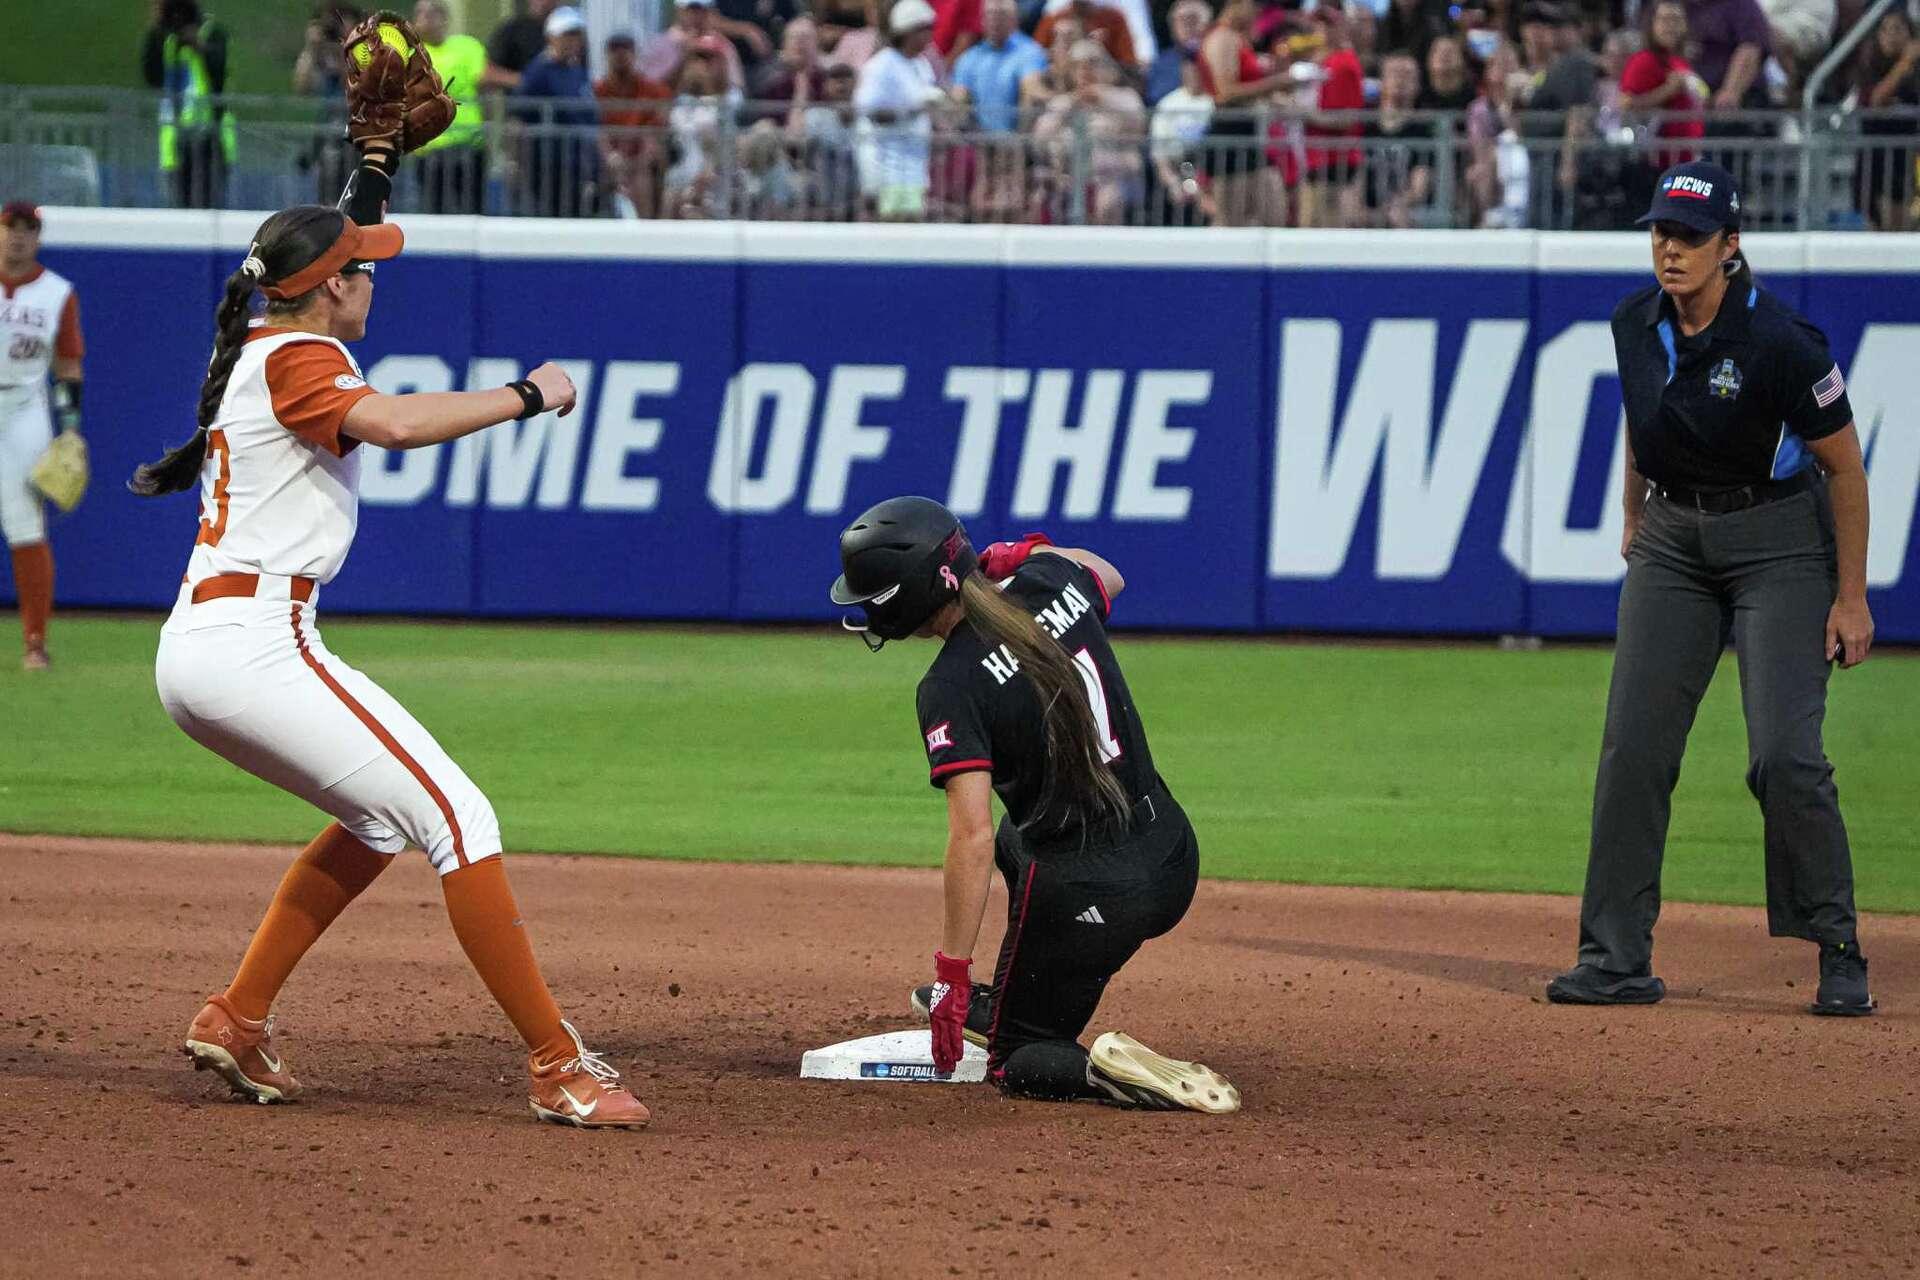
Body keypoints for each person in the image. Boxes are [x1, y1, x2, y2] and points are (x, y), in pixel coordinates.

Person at [130, 130, 650, 1128]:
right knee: (460, 815)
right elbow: (398, 426)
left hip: (212, 637)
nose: (376, 280)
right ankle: (557, 1062)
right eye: (365, 270)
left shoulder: (261, 334)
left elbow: (324, 245)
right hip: (255, 641)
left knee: (380, 821)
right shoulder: (304, 356)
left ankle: (238, 1016)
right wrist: (528, 393)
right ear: (329, 287)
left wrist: (374, 160)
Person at [1548, 161, 1875, 1018]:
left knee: (1784, 757)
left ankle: (1839, 946)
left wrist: (1852, 597)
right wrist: (1631, 513)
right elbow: (1641, 418)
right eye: (1661, 232)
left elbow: (1845, 468)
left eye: (1690, 236)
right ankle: (1615, 958)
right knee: (1633, 750)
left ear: (1730, 246)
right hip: (1672, 541)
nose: (1670, 248)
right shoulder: (1634, 321)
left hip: (1782, 545)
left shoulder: (1781, 341)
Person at [829, 499, 1240, 1112]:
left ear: (902, 601)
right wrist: (1017, 556)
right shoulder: (1051, 579)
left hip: (1097, 897)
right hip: (1173, 854)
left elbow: (968, 839)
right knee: (1017, 842)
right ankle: (1027, 986)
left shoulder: (948, 685)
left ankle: (1118, 1073)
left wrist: (952, 978)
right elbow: (1108, 574)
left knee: (1017, 1059)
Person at [0, 203, 84, 672]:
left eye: (27, 229)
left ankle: (35, 642)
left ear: (37, 237)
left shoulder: (56, 293)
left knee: (25, 524)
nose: (17, 237)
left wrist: (70, 430)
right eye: (10, 227)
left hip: (24, 407)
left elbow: (68, 366)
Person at [1198, 0, 1291, 225]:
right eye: (1254, 8)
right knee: (1231, 219)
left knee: (1273, 212)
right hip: (1229, 133)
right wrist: (1278, 82)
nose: (1257, 14)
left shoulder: (1238, 38)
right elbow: (1226, 92)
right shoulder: (1222, 38)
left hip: (1249, 133)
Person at [854, 0, 949, 221]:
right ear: (907, 31)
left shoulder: (921, 65)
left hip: (915, 164)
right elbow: (870, 113)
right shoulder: (881, 66)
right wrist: (912, 109)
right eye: (923, 30)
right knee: (892, 224)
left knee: (913, 225)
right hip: (887, 163)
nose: (929, 36)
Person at [1034, 41, 1147, 223]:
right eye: (1078, 66)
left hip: (1114, 178)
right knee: (1041, 200)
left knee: (1108, 203)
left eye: (1092, 64)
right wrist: (1071, 104)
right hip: (1068, 178)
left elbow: (1138, 122)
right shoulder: (1062, 102)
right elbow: (1041, 138)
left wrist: (1101, 97)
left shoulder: (1124, 96)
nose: (1085, 71)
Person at [511, 6, 607, 217]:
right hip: (549, 166)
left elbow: (592, 118)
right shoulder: (538, 73)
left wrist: (604, 158)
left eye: (577, 35)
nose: (574, 41)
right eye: (567, 35)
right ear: (552, 38)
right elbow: (520, 118)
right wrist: (517, 163)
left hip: (580, 164)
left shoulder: (579, 71)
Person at [141, 0, 235, 209]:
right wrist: (157, 29)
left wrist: (199, 47)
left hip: (210, 136)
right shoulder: (165, 39)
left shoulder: (213, 33)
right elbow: (151, 76)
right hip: (175, 139)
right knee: (176, 210)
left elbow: (219, 73)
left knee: (210, 208)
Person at [413, 0, 491, 214]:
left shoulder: (468, 46)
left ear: (445, 18)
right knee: (433, 214)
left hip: (469, 145)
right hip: (430, 150)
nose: (426, 18)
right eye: (420, 14)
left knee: (473, 213)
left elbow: (484, 84)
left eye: (432, 13)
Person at [1853, 6, 1920, 232]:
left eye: (1898, 29)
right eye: (1885, 30)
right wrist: (1904, 64)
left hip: (1909, 160)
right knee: (1883, 227)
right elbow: (1876, 99)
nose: (1891, 36)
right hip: (1877, 164)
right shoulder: (1870, 67)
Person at [1350, 50, 1434, 227]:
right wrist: (1356, 204)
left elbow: (1419, 185)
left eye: (1407, 75)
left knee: (1398, 215)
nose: (1400, 81)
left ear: (1417, 84)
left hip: (1407, 207)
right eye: (1394, 74)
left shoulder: (1423, 128)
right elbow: (1356, 174)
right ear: (1382, 81)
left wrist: (1398, 204)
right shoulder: (1366, 123)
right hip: (1369, 204)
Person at [1620, 0, 1706, 170]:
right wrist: (1668, 90)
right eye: (1665, 20)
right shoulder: (1643, 61)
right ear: (1652, 24)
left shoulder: (1681, 61)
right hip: (1655, 161)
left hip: (1686, 157)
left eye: (1676, 20)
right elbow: (1626, 103)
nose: (1671, 26)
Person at [597, 31, 674, 219]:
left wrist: (639, 155)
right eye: (615, 49)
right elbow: (596, 130)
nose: (621, 55)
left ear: (635, 54)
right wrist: (611, 157)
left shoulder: (652, 89)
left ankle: (645, 230)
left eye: (626, 49)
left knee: (643, 173)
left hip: (643, 161)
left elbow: (660, 122)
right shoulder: (598, 90)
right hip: (608, 161)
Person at [954, 0, 1049, 133]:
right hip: (980, 141)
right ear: (982, 20)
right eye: (989, 15)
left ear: (1014, 20)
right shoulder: (969, 58)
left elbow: (1031, 87)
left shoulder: (1029, 51)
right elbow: (959, 97)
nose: (994, 20)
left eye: (1001, 15)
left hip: (1018, 138)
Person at [1149, 48, 1218, 224]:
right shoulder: (1168, 104)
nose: (1194, 73)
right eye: (1190, 68)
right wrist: (1172, 182)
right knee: (1184, 181)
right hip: (1181, 167)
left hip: (1211, 170)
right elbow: (1159, 154)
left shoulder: (1214, 102)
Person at [1036, 0, 1140, 68]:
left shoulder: (1114, 18)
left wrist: (1101, 52)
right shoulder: (1053, 19)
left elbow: (1129, 64)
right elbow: (1036, 57)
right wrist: (1060, 47)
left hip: (1105, 86)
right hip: (1063, 87)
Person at [1146, 0, 1212, 105]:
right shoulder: (1162, 61)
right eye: (1182, 20)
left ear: (1207, 24)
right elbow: (1154, 97)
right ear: (1173, 28)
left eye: (1193, 19)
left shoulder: (1215, 54)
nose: (1188, 25)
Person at [484, 0, 557, 89]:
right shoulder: (514, 30)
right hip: (524, 100)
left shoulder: (572, 31)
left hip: (567, 101)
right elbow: (488, 73)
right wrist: (524, 80)